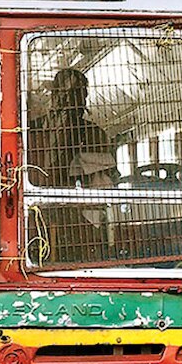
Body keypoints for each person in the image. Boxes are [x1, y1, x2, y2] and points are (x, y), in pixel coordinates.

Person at [31, 68, 119, 263]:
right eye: (64, 94)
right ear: (54, 95)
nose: (70, 101)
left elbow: (104, 183)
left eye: (77, 94)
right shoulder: (33, 131)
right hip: (37, 211)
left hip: (80, 217)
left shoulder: (93, 134)